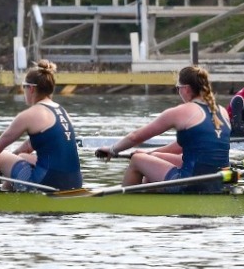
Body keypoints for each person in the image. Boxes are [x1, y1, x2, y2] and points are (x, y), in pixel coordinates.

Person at [94, 65, 232, 191]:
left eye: (177, 88)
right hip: (221, 181)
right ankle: (152, 195)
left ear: (186, 89)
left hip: (192, 182)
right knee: (154, 157)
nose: (178, 91)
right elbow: (179, 146)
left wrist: (112, 150)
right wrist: (150, 154)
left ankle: (128, 204)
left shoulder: (182, 111)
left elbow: (136, 137)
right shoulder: (222, 111)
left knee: (136, 159)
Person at [0, 60, 83, 191]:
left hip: (47, 183)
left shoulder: (30, 114)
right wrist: (13, 157)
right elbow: (27, 148)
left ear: (31, 88)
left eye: (24, 86)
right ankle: (8, 195)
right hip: (75, 183)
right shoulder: (62, 111)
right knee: (21, 158)